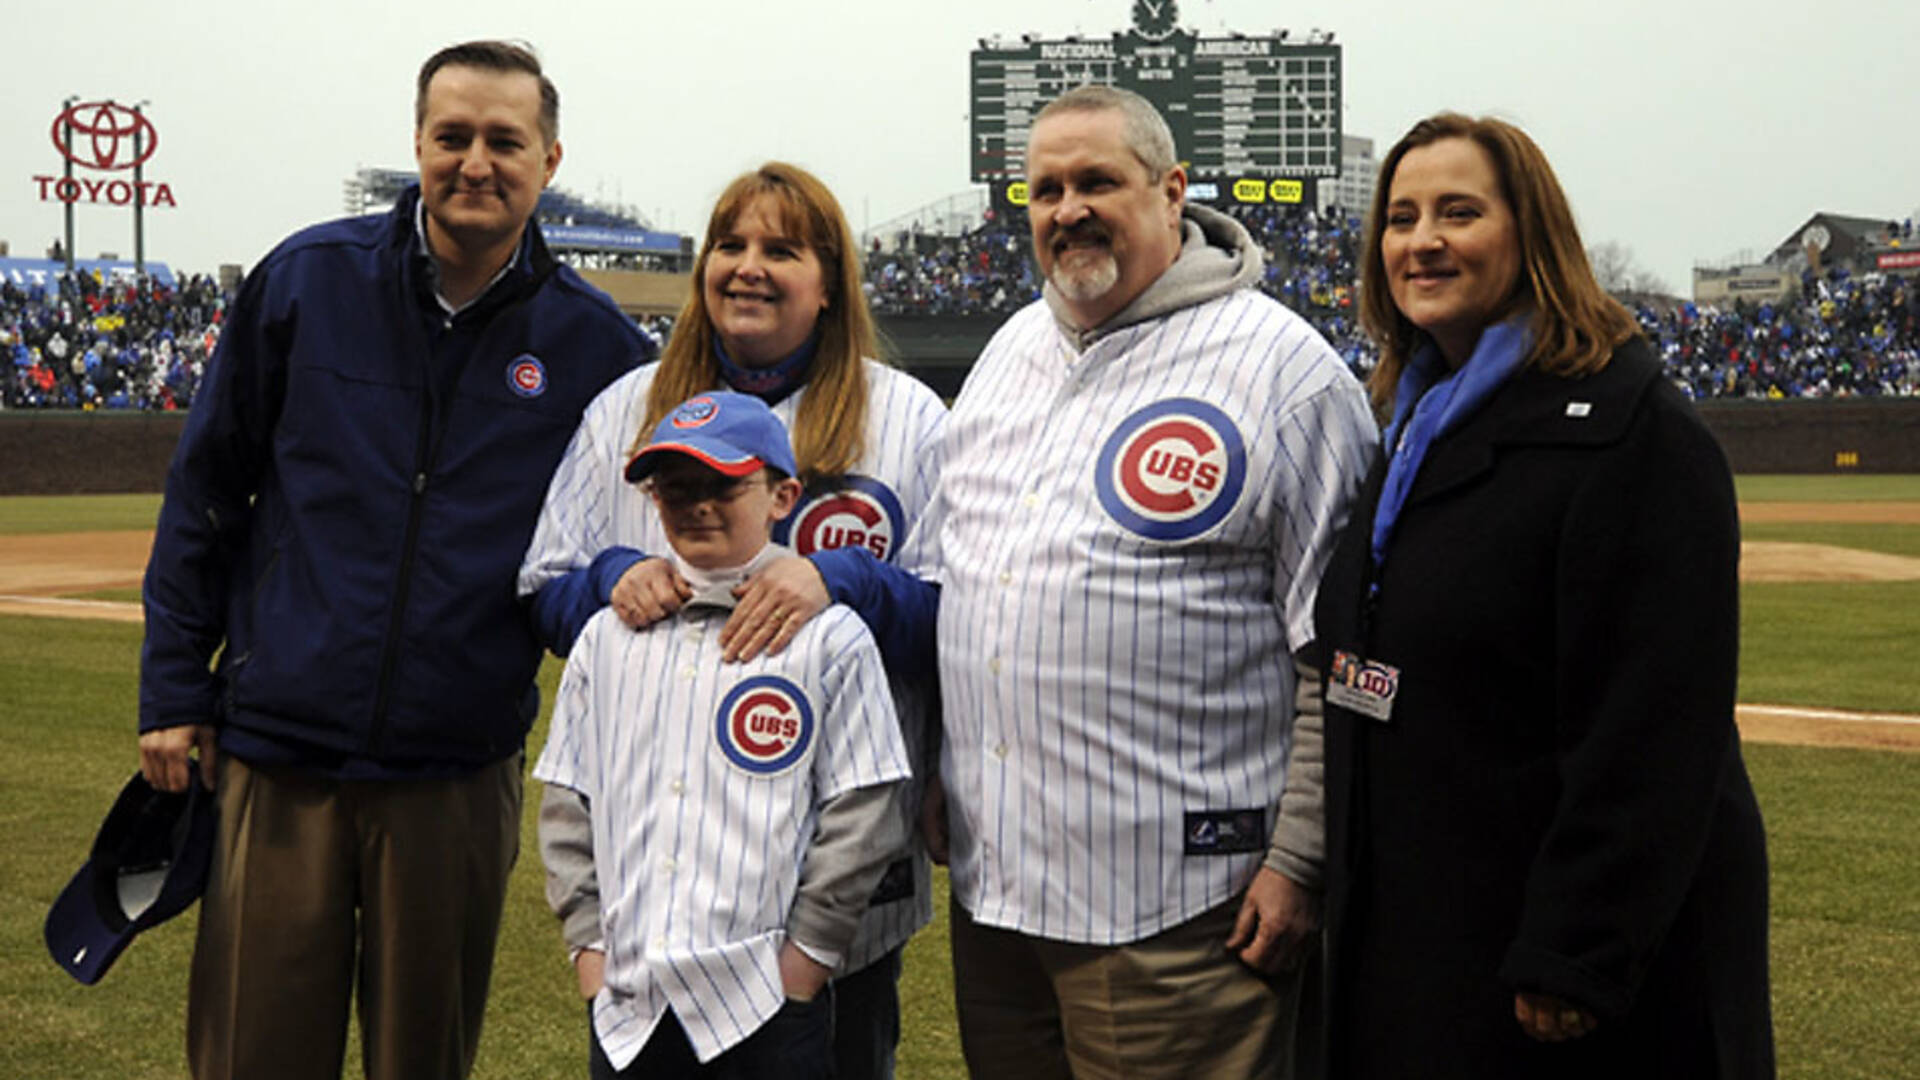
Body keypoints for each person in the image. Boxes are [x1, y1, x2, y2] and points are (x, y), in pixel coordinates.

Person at [135, 40, 650, 1080]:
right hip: (281, 754)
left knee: (424, 1061)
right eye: (451, 136)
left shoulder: (599, 349)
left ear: (550, 160)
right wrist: (172, 688)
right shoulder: (303, 283)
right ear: (416, 144)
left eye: (504, 141)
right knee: (252, 1056)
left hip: (454, 769)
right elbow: (205, 496)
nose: (475, 161)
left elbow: (627, 549)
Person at [920, 85, 1377, 1078]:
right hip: (997, 904)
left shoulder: (1284, 372)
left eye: (1097, 181)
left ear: (1173, 193)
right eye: (1045, 188)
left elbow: (1338, 651)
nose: (1067, 208)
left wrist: (1301, 859)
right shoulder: (1007, 353)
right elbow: (959, 587)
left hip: (1182, 911)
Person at [1314, 111, 1774, 1078]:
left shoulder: (1633, 431)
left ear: (1533, 235)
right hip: (1420, 930)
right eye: (1400, 218)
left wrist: (1579, 950)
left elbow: (1656, 729)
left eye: (1458, 212)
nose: (1422, 240)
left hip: (1554, 968)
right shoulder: (1412, 418)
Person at [519, 161, 946, 1080]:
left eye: (781, 249)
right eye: (731, 244)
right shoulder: (627, 411)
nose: (748, 266)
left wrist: (845, 580)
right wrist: (610, 573)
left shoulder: (907, 417)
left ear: (829, 283)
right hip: (658, 902)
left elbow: (964, 620)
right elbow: (542, 590)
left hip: (841, 908)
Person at [534, 390, 911, 1078]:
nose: (697, 501)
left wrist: (806, 962)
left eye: (723, 483)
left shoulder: (829, 635)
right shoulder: (608, 635)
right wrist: (589, 950)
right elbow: (567, 804)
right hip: (630, 1004)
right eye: (676, 486)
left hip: (763, 999)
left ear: (782, 496)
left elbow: (865, 809)